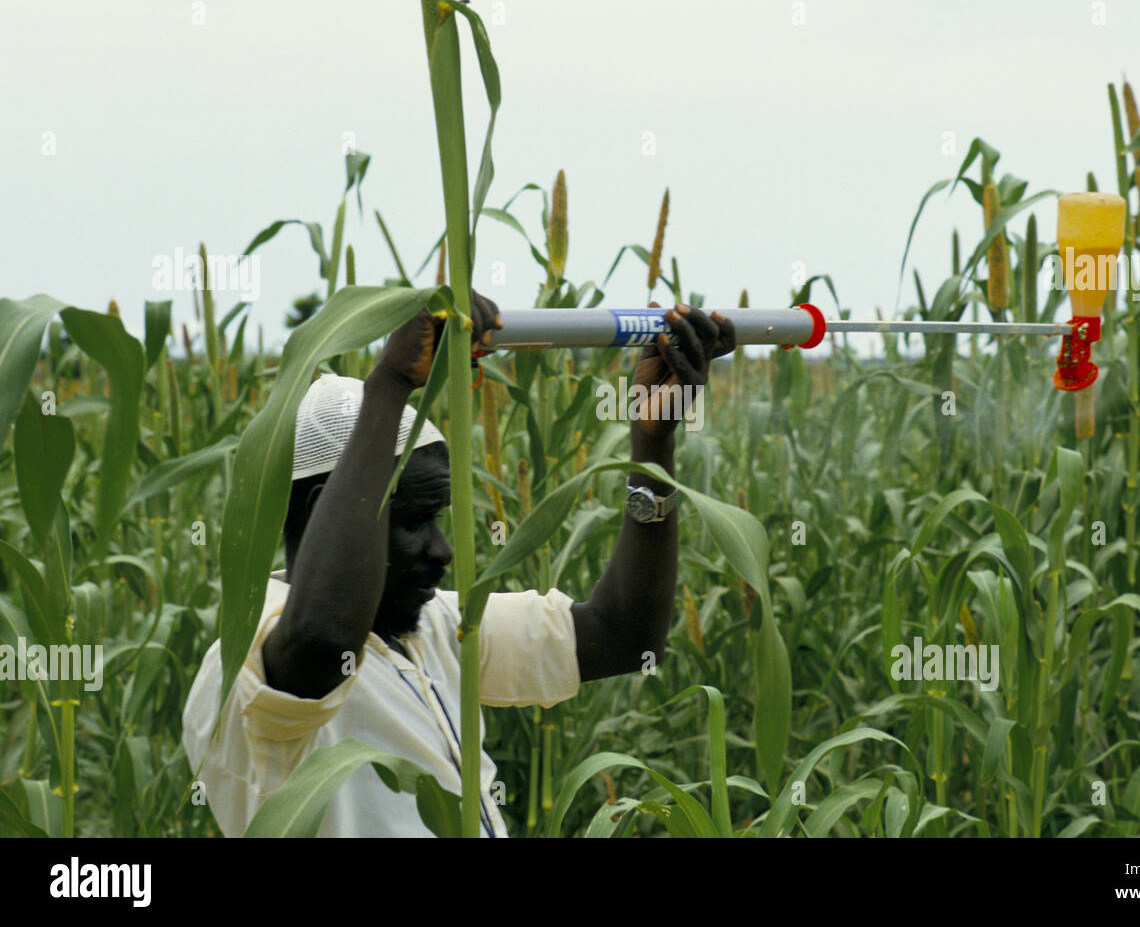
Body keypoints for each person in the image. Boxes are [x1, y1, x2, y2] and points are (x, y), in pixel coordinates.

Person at [182, 291, 735, 836]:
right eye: (413, 518)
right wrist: (391, 384)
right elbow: (322, 638)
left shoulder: (436, 627)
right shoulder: (247, 662)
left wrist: (651, 445)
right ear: (321, 508)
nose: (442, 549)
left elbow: (624, 636)